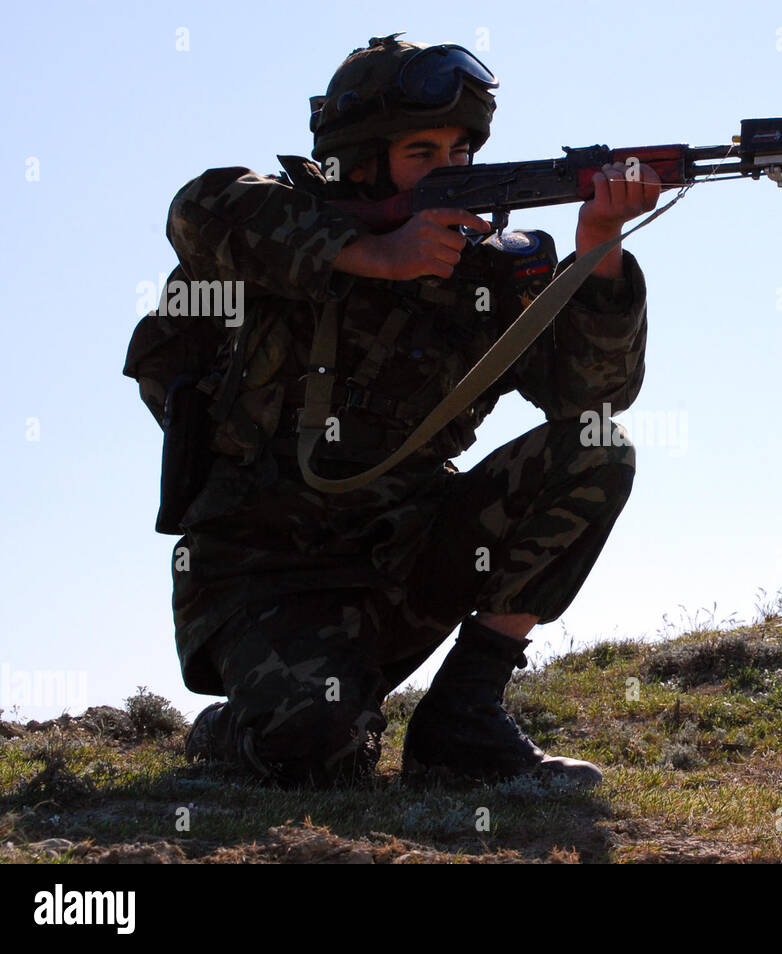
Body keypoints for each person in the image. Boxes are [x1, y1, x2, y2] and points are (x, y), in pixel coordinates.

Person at [157, 34, 661, 789]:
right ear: (359, 160)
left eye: (461, 150)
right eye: (422, 152)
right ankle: (237, 725)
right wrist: (377, 256)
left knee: (597, 444)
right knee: (314, 748)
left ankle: (464, 716)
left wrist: (599, 252)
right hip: (266, 578)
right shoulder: (278, 228)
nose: (452, 169)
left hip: (406, 555)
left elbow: (592, 395)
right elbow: (199, 211)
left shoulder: (485, 269)